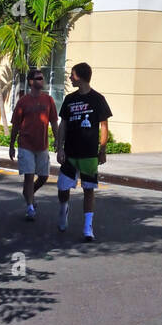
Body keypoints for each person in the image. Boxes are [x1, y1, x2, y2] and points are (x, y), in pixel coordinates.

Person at [56, 63, 112, 242]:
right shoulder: (69, 99)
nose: (70, 78)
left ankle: (88, 227)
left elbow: (104, 126)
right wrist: (59, 147)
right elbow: (63, 124)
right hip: (70, 153)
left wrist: (102, 149)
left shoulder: (98, 99)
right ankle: (64, 208)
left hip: (89, 154)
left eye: (72, 75)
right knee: (63, 188)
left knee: (89, 190)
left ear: (79, 77)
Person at [9, 69, 59, 220]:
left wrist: (58, 140)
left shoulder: (48, 100)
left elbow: (54, 122)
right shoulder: (23, 101)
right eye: (38, 78)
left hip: (42, 145)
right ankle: (30, 207)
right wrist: (11, 145)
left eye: (42, 78)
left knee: (43, 176)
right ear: (31, 82)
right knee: (29, 177)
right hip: (26, 145)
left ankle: (29, 193)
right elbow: (16, 125)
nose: (41, 81)